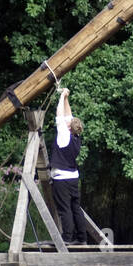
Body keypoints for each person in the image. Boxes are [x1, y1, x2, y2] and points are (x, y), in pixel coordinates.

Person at [50, 87, 87, 246]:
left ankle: (67, 238)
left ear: (69, 127)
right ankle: (82, 237)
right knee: (76, 208)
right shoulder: (76, 136)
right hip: (73, 177)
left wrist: (61, 97)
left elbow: (59, 115)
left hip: (62, 179)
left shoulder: (64, 135)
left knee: (64, 209)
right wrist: (66, 98)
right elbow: (68, 115)